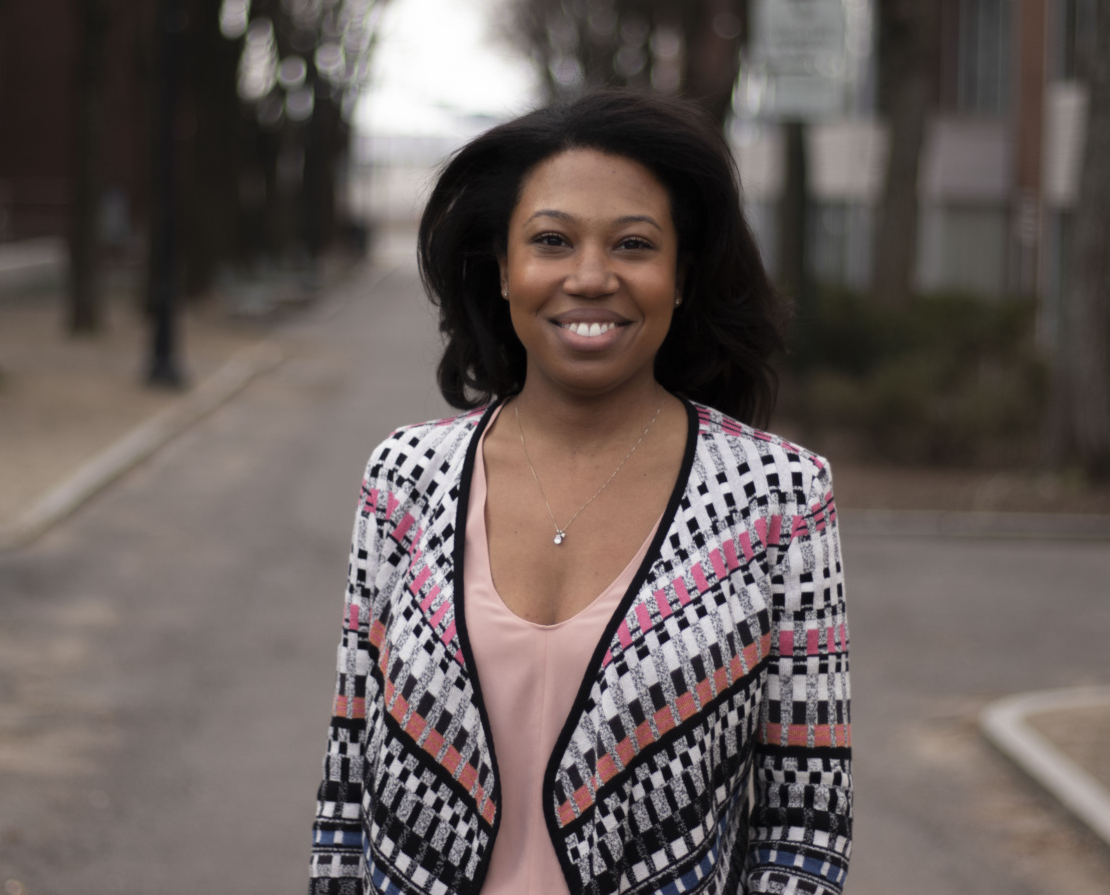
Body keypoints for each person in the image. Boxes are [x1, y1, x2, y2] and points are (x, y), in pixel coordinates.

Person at [309, 90, 851, 895]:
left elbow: (803, 826)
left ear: (680, 274)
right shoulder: (405, 478)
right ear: (503, 269)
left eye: (633, 244)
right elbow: (348, 790)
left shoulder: (776, 498)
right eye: (552, 241)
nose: (591, 278)